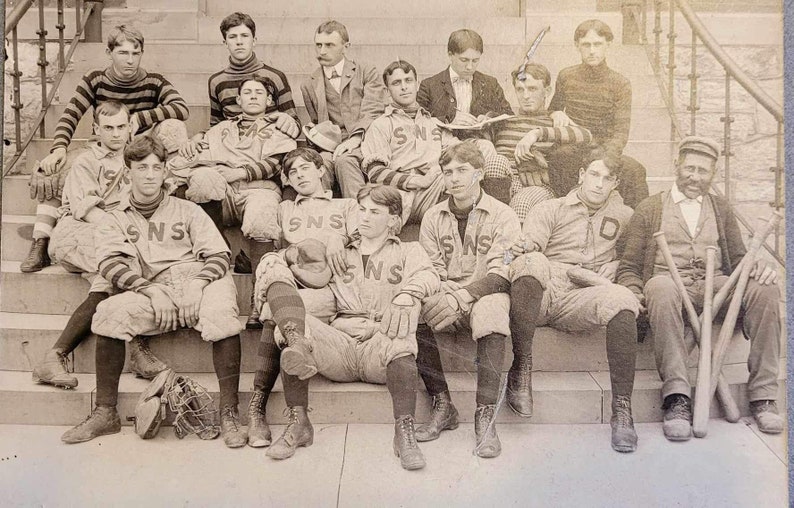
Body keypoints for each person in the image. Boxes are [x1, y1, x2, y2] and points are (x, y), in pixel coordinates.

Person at [61, 136, 247, 448]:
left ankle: (229, 413)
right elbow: (110, 265)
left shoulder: (187, 209)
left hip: (199, 280)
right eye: (142, 167)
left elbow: (219, 255)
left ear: (164, 173)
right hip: (153, 287)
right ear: (128, 172)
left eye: (156, 168)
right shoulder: (114, 218)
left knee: (221, 316)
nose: (150, 174)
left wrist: (197, 285)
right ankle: (106, 412)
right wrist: (152, 291)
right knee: (108, 312)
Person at [258, 185, 440, 471]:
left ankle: (404, 431)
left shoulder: (409, 250)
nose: (364, 218)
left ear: (393, 220)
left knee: (404, 323)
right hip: (340, 347)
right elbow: (297, 262)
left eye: (375, 212)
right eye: (362, 210)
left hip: (381, 344)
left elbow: (429, 276)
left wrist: (407, 294)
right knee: (290, 325)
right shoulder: (339, 252)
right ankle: (299, 422)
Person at [617, 136, 783, 441]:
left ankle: (763, 395)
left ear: (713, 174)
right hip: (669, 283)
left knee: (767, 289)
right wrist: (633, 290)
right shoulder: (650, 207)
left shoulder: (719, 207)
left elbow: (737, 258)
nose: (695, 177)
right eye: (690, 168)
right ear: (677, 166)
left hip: (716, 284)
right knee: (661, 288)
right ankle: (677, 398)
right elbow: (628, 266)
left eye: (703, 171)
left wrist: (756, 266)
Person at [21, 25, 190, 273]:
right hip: (103, 145)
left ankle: (171, 212)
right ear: (109, 52)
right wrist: (58, 149)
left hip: (140, 147)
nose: (130, 60)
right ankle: (41, 240)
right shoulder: (96, 79)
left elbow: (181, 108)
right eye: (123, 53)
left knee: (174, 127)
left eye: (136, 53)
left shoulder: (153, 81)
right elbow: (70, 115)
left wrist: (140, 119)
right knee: (52, 169)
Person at [508, 147, 641, 453]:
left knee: (622, 298)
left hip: (584, 296)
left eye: (607, 178)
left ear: (616, 183)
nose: (599, 184)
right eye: (593, 175)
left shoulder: (625, 216)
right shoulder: (550, 208)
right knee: (531, 262)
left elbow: (633, 259)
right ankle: (521, 368)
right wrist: (526, 248)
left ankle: (622, 409)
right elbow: (531, 245)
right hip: (545, 288)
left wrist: (617, 267)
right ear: (582, 175)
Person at [32, 102, 167, 388]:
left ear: (131, 126)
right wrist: (127, 235)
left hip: (113, 235)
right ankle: (138, 350)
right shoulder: (86, 160)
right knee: (121, 265)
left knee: (107, 281)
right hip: (76, 231)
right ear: (96, 129)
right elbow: (90, 212)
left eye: (121, 126)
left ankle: (53, 356)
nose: (116, 134)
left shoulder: (136, 159)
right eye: (108, 128)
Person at [245, 147, 359, 448]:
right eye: (292, 172)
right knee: (271, 264)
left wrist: (341, 237)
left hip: (328, 289)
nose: (299, 175)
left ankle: (259, 405)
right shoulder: (284, 209)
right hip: (290, 282)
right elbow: (271, 249)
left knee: (275, 312)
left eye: (305, 168)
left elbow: (367, 235)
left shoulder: (346, 205)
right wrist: (291, 252)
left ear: (321, 170)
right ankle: (282, 411)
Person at [414, 141, 521, 458]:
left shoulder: (504, 214)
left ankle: (485, 414)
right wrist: (444, 291)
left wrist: (463, 295)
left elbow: (503, 272)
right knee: (413, 307)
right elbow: (430, 267)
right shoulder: (433, 216)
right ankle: (442, 403)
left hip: (484, 292)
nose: (454, 178)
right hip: (448, 294)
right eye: (448, 172)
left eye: (462, 170)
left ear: (480, 173)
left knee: (492, 311)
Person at [168, 77, 297, 328]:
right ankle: (219, 247)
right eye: (246, 92)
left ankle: (258, 299)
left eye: (259, 93)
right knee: (203, 178)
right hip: (223, 190)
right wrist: (192, 145)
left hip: (258, 187)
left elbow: (279, 162)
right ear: (238, 100)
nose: (252, 96)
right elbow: (196, 158)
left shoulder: (278, 128)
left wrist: (241, 173)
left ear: (269, 100)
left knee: (261, 210)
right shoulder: (220, 129)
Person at [547, 19, 648, 209]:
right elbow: (553, 108)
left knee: (635, 170)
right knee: (560, 157)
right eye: (586, 45)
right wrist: (556, 113)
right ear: (577, 46)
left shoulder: (620, 83)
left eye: (597, 44)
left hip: (605, 148)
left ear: (608, 45)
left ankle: (638, 230)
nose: (592, 50)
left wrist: (606, 160)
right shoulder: (566, 76)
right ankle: (565, 216)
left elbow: (621, 132)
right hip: (575, 149)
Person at [491, 63, 594, 221]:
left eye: (532, 89)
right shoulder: (504, 121)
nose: (526, 96)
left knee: (521, 203)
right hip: (502, 184)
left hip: (537, 187)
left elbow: (585, 135)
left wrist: (536, 134)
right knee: (496, 162)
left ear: (547, 91)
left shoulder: (554, 121)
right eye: (520, 89)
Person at [361, 60, 458, 225]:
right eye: (396, 83)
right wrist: (418, 181)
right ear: (387, 91)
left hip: (433, 191)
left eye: (408, 80)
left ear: (417, 84)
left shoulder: (433, 123)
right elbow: (375, 172)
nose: (404, 87)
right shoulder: (381, 124)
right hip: (399, 197)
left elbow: (455, 153)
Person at [299, 20, 386, 198]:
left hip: (364, 140)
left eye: (329, 45)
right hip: (331, 145)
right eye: (319, 45)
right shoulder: (309, 84)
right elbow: (317, 121)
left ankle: (358, 215)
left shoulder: (365, 72)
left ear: (345, 47)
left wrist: (354, 139)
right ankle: (321, 214)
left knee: (345, 161)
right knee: (318, 165)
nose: (322, 51)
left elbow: (374, 110)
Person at [417, 29, 513, 153]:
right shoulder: (430, 85)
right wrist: (448, 119)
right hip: (440, 146)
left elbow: (508, 115)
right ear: (450, 55)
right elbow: (417, 119)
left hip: (479, 146)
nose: (469, 67)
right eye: (464, 60)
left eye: (475, 61)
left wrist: (488, 118)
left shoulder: (490, 83)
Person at [205, 12, 299, 134]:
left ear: (254, 41)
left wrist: (287, 121)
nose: (239, 42)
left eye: (244, 36)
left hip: (268, 143)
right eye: (232, 37)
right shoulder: (217, 81)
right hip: (233, 144)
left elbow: (294, 123)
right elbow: (216, 125)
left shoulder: (275, 77)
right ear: (225, 43)